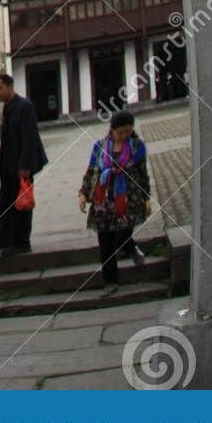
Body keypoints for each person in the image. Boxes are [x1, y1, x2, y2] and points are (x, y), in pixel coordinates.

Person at [79, 110, 151, 296]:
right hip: (104, 197)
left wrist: (146, 198)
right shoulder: (100, 146)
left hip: (129, 196)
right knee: (105, 240)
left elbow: (143, 174)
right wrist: (83, 194)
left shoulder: (137, 146)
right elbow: (92, 170)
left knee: (122, 232)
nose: (124, 135)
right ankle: (110, 281)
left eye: (128, 131)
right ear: (112, 129)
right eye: (121, 132)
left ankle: (129, 246)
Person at [0, 71, 47, 256]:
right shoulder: (8, 107)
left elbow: (29, 138)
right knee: (4, 202)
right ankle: (3, 238)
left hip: (21, 165)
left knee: (20, 204)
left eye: (0, 89)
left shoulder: (24, 106)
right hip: (7, 165)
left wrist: (25, 166)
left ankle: (21, 242)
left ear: (10, 87)